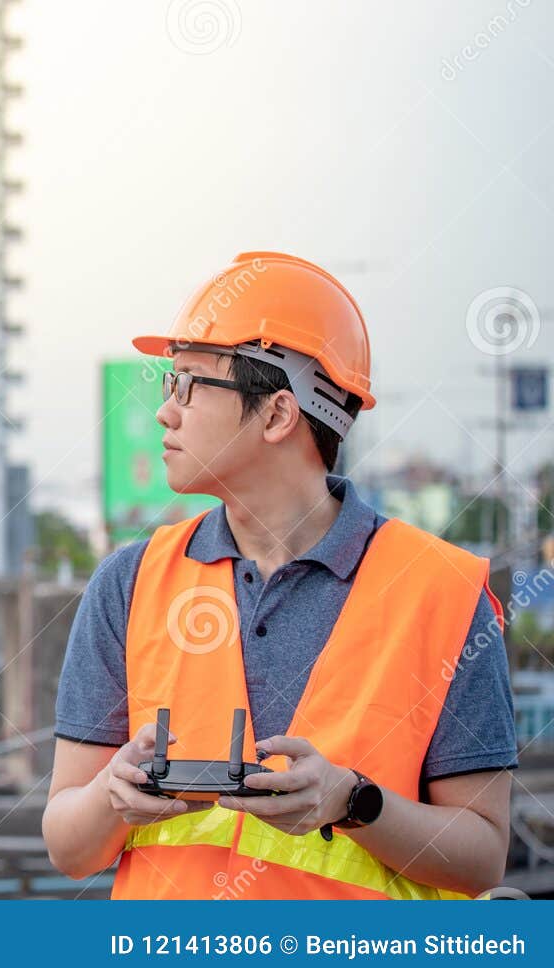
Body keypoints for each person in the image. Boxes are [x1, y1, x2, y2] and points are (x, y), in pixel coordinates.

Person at [42, 251, 518, 899]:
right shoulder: (130, 582)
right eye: (167, 384)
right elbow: (68, 849)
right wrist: (110, 796)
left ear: (277, 415)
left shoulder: (443, 592)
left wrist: (354, 803)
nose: (164, 411)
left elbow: (482, 858)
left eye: (188, 384)